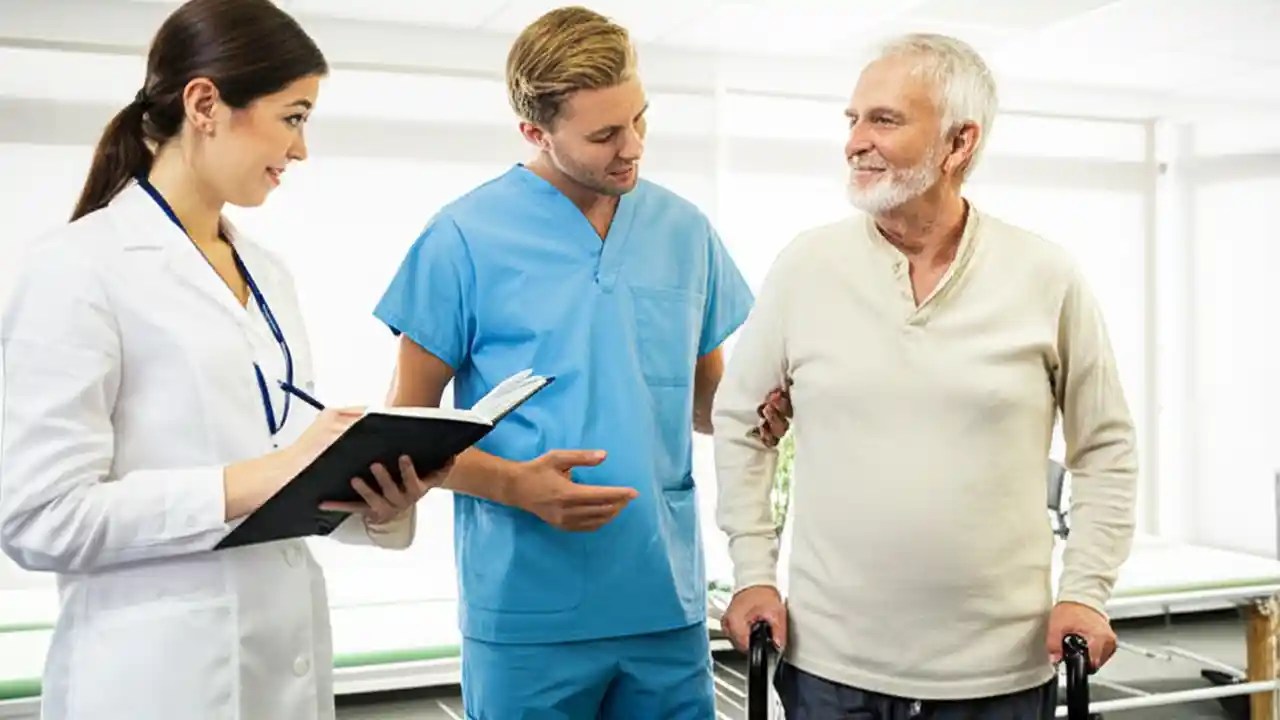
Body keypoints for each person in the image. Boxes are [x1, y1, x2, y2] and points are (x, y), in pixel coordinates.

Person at [0, 1, 449, 718]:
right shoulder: (78, 268)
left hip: (283, 672)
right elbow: (40, 518)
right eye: (294, 116)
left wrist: (375, 501)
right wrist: (262, 477)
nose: (302, 149)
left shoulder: (267, 272)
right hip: (151, 684)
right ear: (204, 103)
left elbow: (276, 459)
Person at [713, 33, 1138, 719]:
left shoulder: (1045, 276)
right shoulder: (806, 268)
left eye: (883, 119)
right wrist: (753, 576)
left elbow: (1107, 448)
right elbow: (740, 424)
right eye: (851, 120)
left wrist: (1087, 589)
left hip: (996, 678)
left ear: (958, 143)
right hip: (830, 669)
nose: (855, 141)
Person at [372, 6, 754, 718]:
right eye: (605, 134)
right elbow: (404, 434)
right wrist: (517, 485)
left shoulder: (684, 230)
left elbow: (708, 408)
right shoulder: (461, 238)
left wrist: (777, 403)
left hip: (663, 602)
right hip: (528, 615)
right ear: (535, 132)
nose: (632, 146)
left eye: (640, 119)